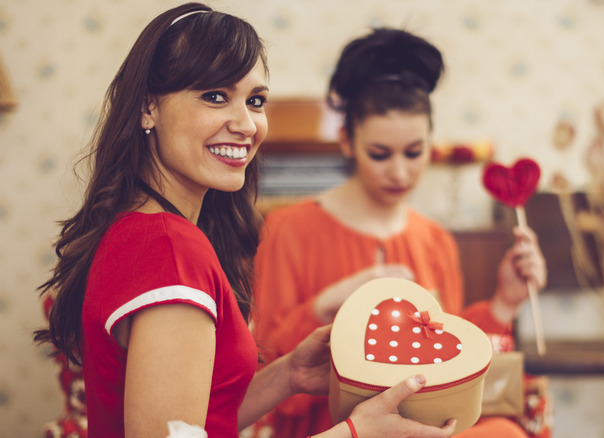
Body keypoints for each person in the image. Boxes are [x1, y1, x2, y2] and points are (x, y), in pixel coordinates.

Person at [33, 4, 458, 438]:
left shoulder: (141, 232)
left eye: (255, 101)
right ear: (148, 108)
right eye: (215, 96)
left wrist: (286, 374)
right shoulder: (169, 248)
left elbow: (196, 422)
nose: (246, 124)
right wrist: (356, 433)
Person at [251, 28, 552, 438]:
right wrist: (326, 304)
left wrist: (504, 302)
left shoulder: (433, 240)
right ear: (346, 140)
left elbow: (450, 359)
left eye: (414, 152)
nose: (399, 172)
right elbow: (264, 367)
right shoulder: (290, 230)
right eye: (380, 154)